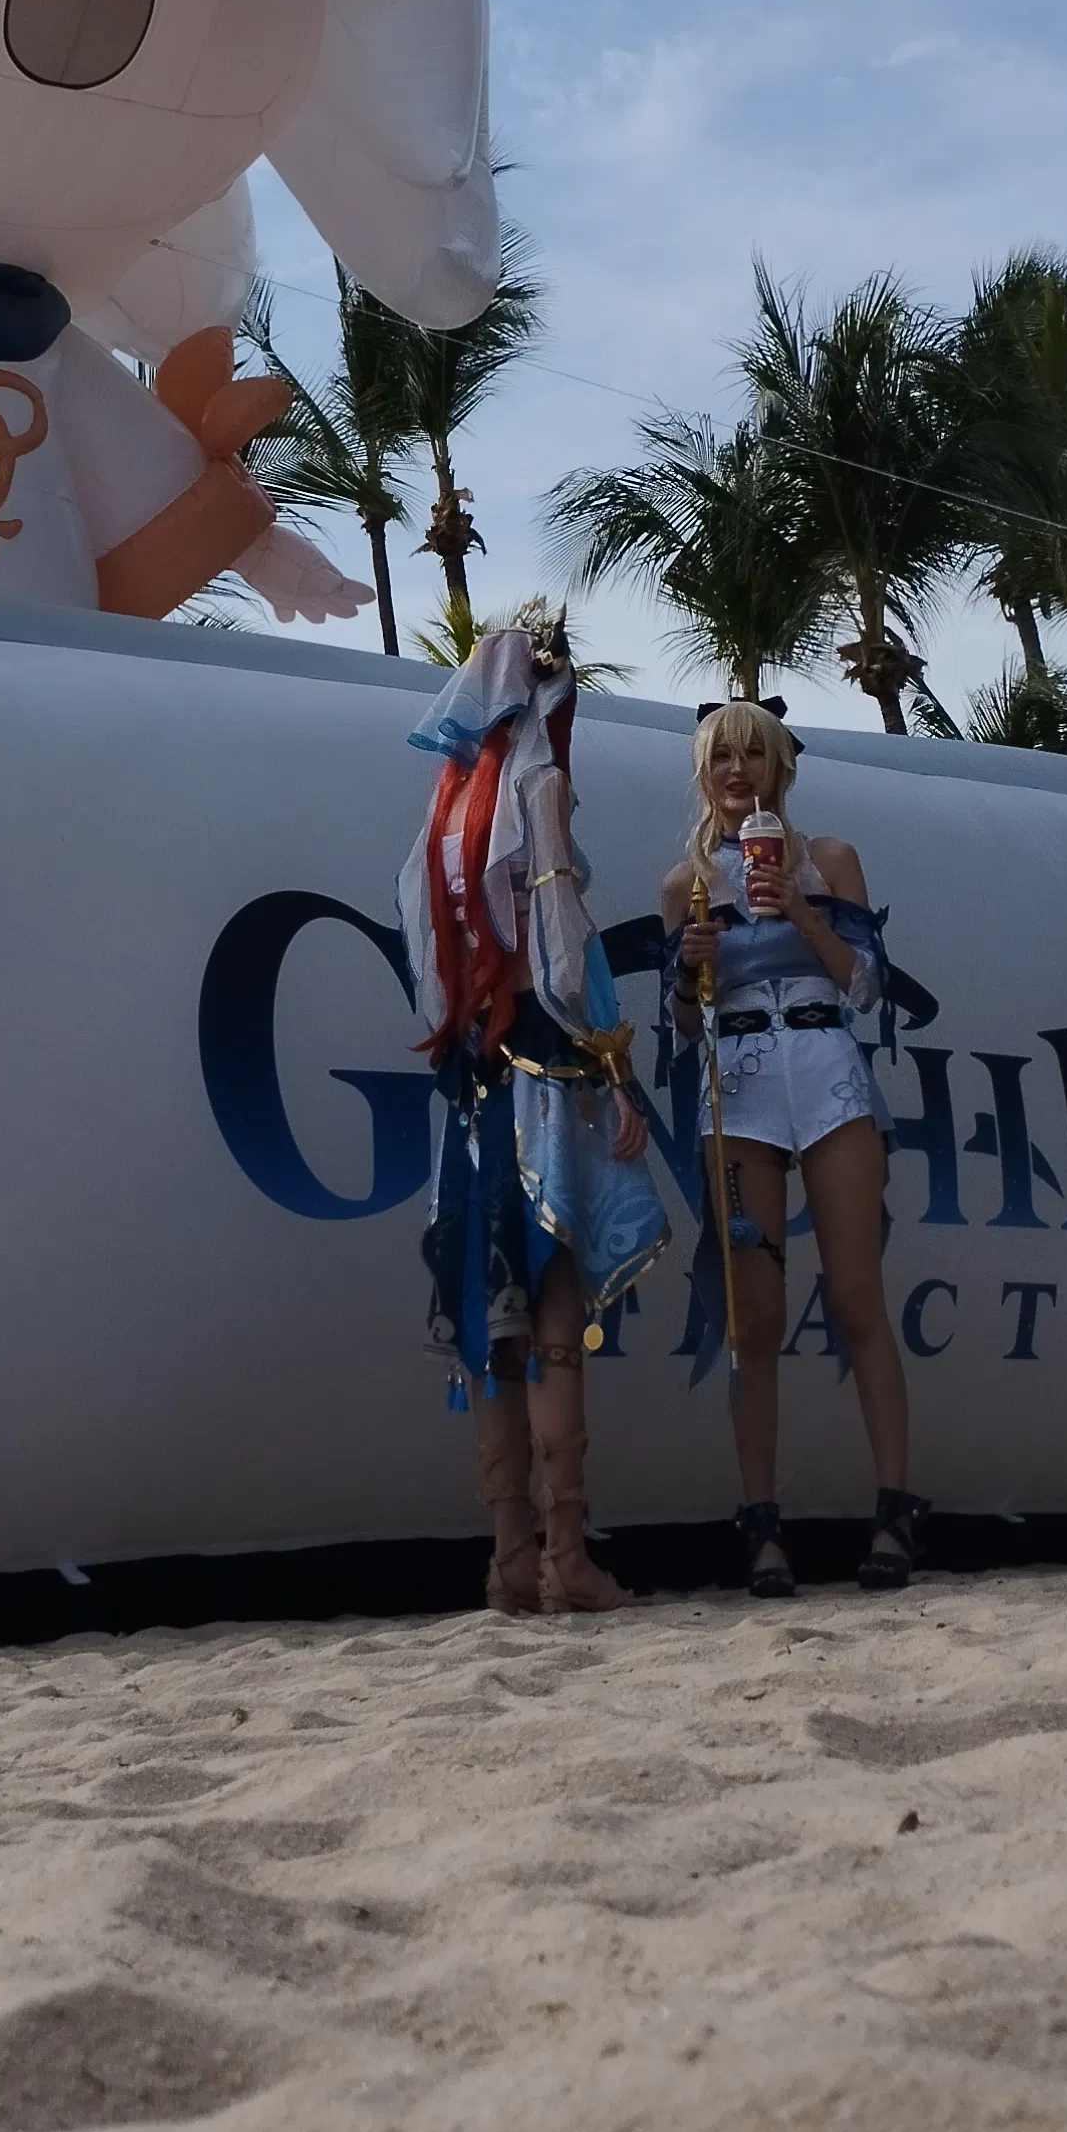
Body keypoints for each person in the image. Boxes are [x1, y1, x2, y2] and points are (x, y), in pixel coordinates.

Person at [401, 610, 669, 1614]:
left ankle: (510, 1558)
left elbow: (429, 960)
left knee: (494, 1331)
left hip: (471, 1080)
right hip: (545, 1071)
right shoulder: (538, 787)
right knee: (556, 1325)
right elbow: (561, 940)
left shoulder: (444, 803)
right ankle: (565, 1557)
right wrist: (611, 1067)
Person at [664, 703, 927, 1597]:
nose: (739, 770)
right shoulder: (686, 882)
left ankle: (894, 1511)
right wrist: (686, 968)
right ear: (704, 774)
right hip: (737, 1086)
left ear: (781, 767)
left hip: (826, 1070)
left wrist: (803, 914)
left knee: (858, 1298)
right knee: (755, 1316)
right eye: (722, 757)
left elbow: (867, 987)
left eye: (755, 754)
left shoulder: (832, 858)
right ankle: (761, 1523)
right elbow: (683, 1024)